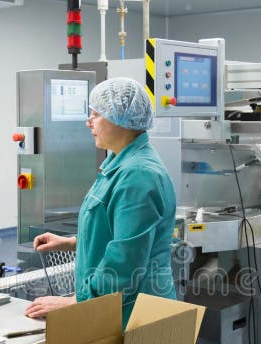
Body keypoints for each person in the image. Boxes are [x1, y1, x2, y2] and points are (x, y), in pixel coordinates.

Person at [25, 77, 176, 327]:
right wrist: (72, 242)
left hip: (135, 315)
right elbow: (115, 231)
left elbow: (125, 261)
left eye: (96, 114)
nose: (89, 122)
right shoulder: (120, 165)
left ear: (120, 119)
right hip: (117, 307)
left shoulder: (138, 175)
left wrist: (78, 301)